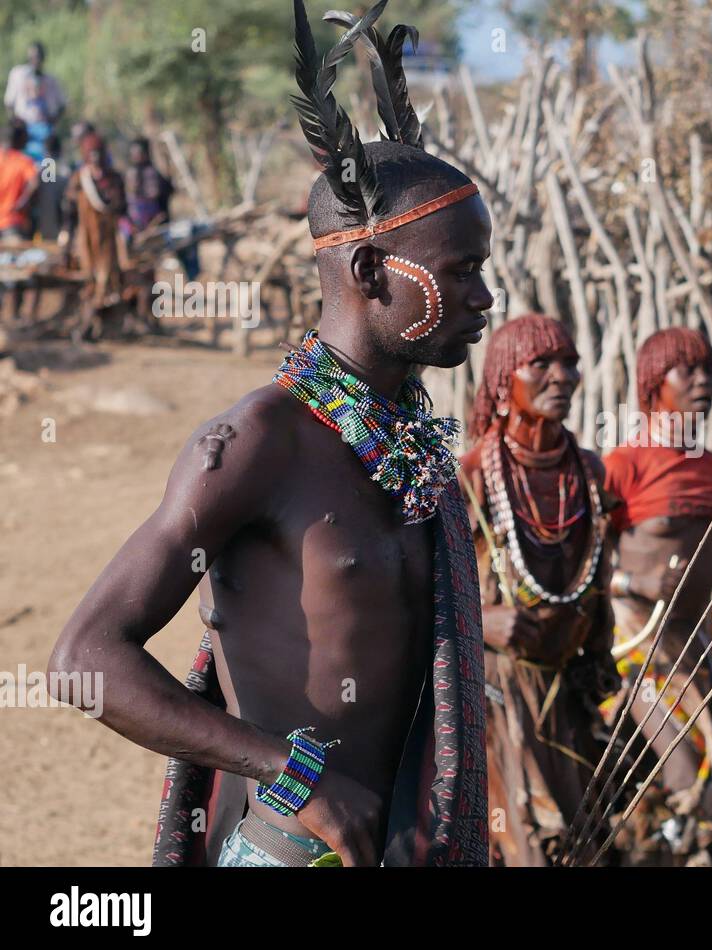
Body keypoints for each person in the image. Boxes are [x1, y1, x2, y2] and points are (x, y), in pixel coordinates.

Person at [49, 0, 493, 867]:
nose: (484, 298)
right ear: (370, 270)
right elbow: (84, 658)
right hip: (289, 851)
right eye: (463, 272)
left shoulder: (412, 443)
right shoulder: (259, 444)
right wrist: (296, 777)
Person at [597, 327, 712, 866]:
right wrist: (636, 586)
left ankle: (699, 845)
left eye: (710, 371)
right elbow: (585, 567)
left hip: (696, 653)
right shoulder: (622, 468)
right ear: (655, 383)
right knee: (687, 761)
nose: (704, 380)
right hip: (631, 653)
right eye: (689, 371)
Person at [459, 313, 620, 866]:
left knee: (585, 842)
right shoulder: (472, 476)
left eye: (570, 363)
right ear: (504, 379)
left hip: (569, 687)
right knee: (524, 843)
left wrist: (601, 663)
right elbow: (417, 594)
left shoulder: (591, 476)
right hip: (498, 694)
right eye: (542, 364)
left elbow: (598, 578)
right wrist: (481, 623)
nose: (563, 377)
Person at [60, 131, 127, 336]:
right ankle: (86, 323)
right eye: (92, 153)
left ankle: (105, 324)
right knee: (88, 279)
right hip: (86, 239)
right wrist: (65, 234)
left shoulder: (113, 178)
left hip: (108, 239)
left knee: (108, 279)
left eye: (98, 152)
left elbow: (122, 207)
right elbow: (69, 209)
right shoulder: (80, 179)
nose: (95, 157)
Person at [3, 42, 66, 164]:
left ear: (43, 58)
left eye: (37, 57)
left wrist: (53, 120)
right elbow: (9, 102)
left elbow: (62, 104)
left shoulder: (50, 80)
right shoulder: (18, 74)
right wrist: (16, 123)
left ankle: (49, 180)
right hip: (24, 129)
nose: (34, 60)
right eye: (31, 57)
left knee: (48, 160)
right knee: (22, 160)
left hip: (44, 128)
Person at [0, 119, 36, 240]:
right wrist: (22, 203)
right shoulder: (23, 161)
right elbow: (35, 183)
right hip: (11, 222)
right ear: (19, 138)